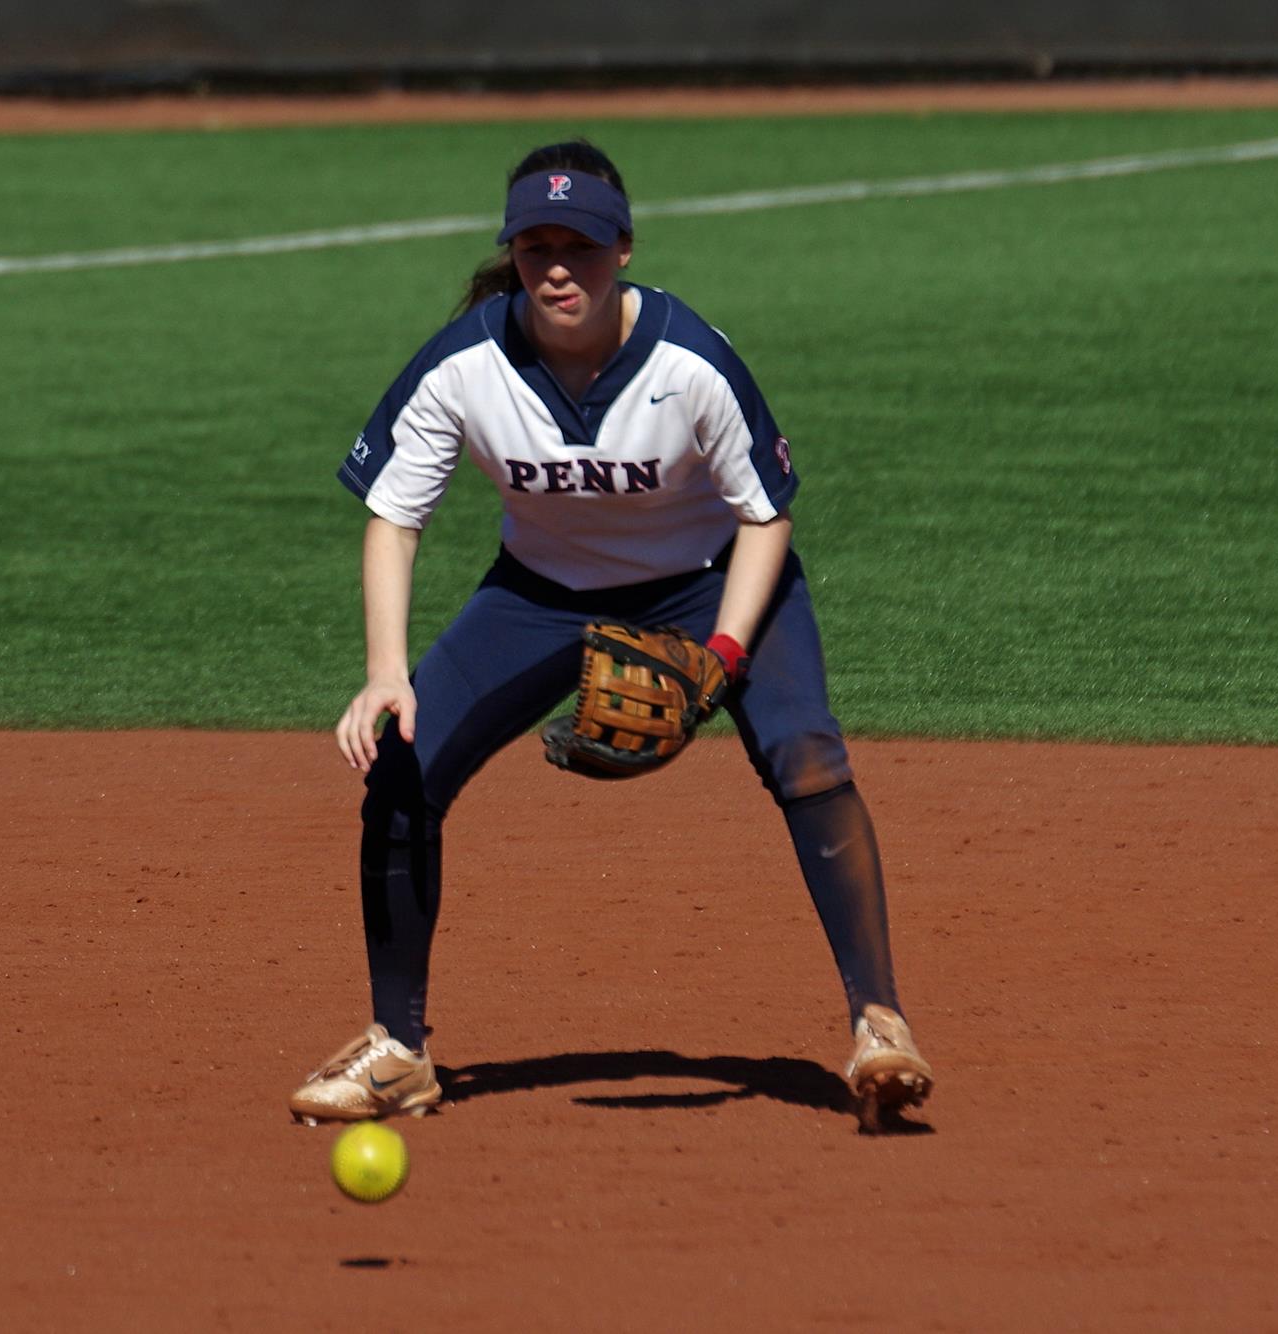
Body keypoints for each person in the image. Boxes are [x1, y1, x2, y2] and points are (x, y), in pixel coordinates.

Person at [288, 140, 933, 1132]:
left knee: (805, 755)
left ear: (621, 248)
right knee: (401, 764)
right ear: (511, 252)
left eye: (579, 245)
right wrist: (384, 674)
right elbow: (394, 516)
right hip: (539, 594)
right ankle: (397, 1051)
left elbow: (764, 515)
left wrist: (721, 656)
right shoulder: (463, 364)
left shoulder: (690, 362)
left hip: (709, 582)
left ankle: (878, 1024)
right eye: (535, 244)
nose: (557, 265)